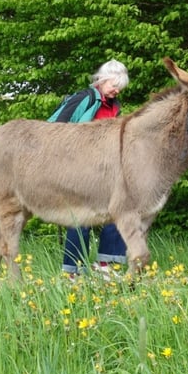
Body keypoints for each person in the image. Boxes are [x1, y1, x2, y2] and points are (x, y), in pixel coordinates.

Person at [49, 59, 130, 276]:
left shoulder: (114, 107)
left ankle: (106, 267)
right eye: (114, 85)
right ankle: (72, 272)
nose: (116, 90)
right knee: (81, 219)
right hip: (76, 169)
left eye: (120, 87)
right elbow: (53, 129)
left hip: (103, 172)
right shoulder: (84, 99)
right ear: (102, 80)